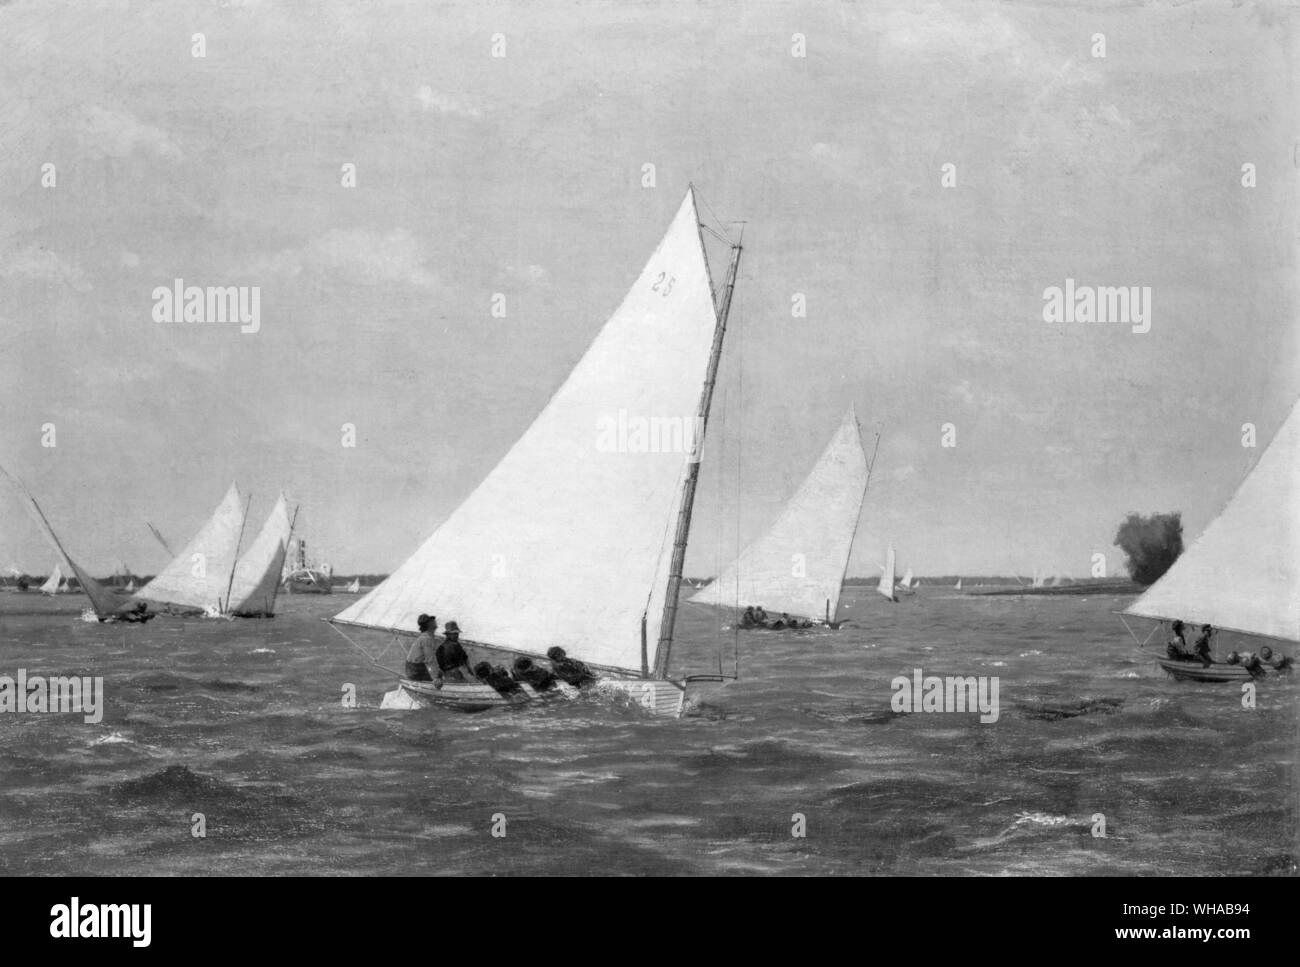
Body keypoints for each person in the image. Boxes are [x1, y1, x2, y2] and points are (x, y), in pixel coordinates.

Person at [404, 613, 438, 681]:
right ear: (429, 624)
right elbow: (429, 660)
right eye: (431, 620)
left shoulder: (425, 636)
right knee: (438, 678)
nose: (434, 621)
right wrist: (435, 678)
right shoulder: (427, 639)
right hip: (415, 670)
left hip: (412, 668)